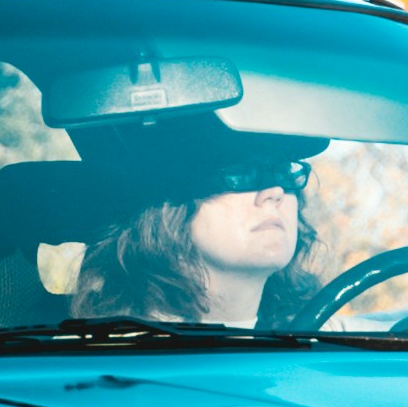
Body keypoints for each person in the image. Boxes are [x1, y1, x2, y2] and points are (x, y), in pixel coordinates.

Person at [73, 129, 325, 331]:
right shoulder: (111, 357)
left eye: (284, 173)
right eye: (240, 174)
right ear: (169, 205)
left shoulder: (326, 341)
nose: (276, 191)